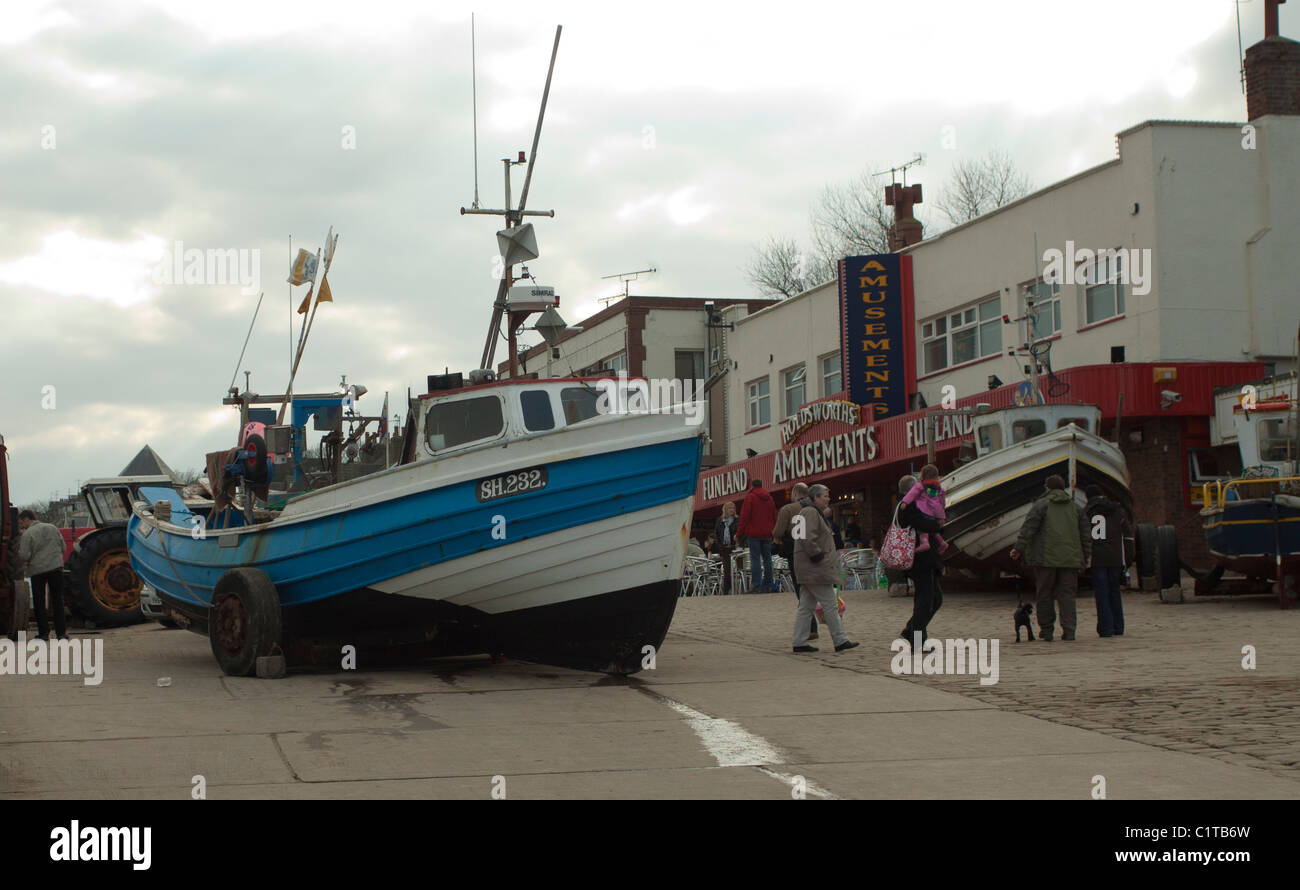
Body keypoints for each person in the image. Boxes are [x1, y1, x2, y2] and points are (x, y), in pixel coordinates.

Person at [1010, 475, 1091, 642]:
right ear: (1063, 489)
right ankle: (1069, 631)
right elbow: (1085, 534)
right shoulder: (1076, 507)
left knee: (1044, 594)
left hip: (1045, 559)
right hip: (1070, 559)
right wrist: (1086, 554)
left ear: (1047, 488)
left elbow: (1028, 529)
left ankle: (1047, 631)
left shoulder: (1041, 505)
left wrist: (1018, 549)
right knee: (1067, 595)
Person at [792, 484, 859, 653]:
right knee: (830, 604)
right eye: (825, 496)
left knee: (806, 607)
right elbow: (807, 537)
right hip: (815, 567)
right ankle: (840, 640)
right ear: (815, 497)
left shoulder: (808, 511)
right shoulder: (811, 512)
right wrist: (817, 555)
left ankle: (799, 641)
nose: (828, 499)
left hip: (809, 568)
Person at [896, 475, 945, 647]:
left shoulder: (910, 505)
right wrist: (938, 523)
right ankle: (915, 638)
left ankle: (912, 632)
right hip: (921, 560)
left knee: (930, 600)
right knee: (928, 601)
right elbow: (925, 524)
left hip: (923, 560)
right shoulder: (909, 506)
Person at [1084, 484, 1129, 637]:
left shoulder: (1088, 512)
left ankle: (1105, 628)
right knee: (1115, 592)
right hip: (1115, 558)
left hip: (1097, 559)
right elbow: (1128, 535)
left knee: (1101, 594)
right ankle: (1118, 627)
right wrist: (1127, 560)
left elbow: (1084, 536)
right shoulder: (1118, 510)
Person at [773, 482, 817, 637]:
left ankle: (810, 628)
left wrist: (777, 539)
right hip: (814, 552)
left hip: (795, 552)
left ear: (796, 494)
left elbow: (778, 531)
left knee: (801, 589)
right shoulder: (815, 509)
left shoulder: (788, 509)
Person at [17, 510, 68, 640]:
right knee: (58, 601)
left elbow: (24, 555)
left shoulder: (28, 534)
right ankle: (61, 633)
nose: (21, 526)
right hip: (56, 568)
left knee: (39, 602)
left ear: (26, 519)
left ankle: (44, 633)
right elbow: (63, 548)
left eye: (21, 522)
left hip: (38, 571)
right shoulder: (53, 527)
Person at [738, 479, 777, 593]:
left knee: (755, 559)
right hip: (767, 533)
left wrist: (739, 533)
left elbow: (744, 516)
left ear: (752, 486)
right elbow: (774, 515)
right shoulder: (769, 497)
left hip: (754, 533)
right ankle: (769, 583)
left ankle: (756, 585)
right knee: (767, 558)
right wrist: (773, 531)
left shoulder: (750, 497)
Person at [900, 464, 949, 555]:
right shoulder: (939, 489)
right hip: (936, 513)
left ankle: (924, 542)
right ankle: (942, 542)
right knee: (934, 530)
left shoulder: (920, 487)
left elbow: (912, 494)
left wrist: (905, 502)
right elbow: (942, 503)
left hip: (925, 512)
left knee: (923, 529)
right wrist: (941, 516)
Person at [713, 501, 740, 593]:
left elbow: (740, 532)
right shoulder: (720, 521)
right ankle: (726, 589)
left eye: (733, 508)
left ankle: (739, 587)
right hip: (724, 548)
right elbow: (716, 534)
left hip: (735, 547)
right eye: (729, 508)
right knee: (727, 569)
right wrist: (719, 545)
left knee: (739, 567)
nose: (732, 510)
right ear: (725, 510)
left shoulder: (737, 520)